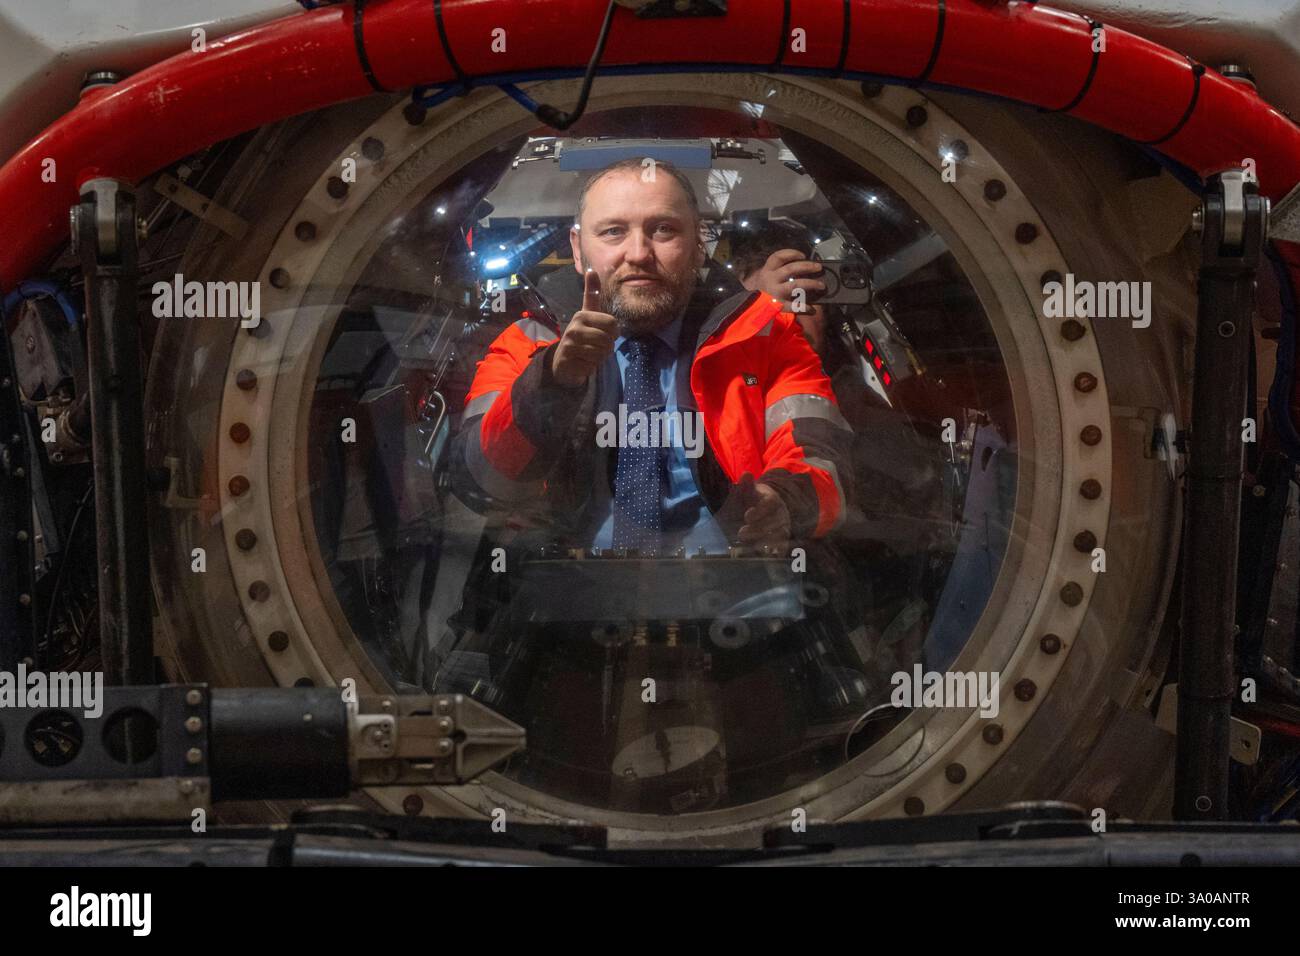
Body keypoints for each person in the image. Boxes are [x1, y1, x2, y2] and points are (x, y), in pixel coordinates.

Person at [450, 157, 853, 556]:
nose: (639, 253)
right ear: (578, 249)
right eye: (613, 232)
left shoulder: (768, 341)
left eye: (663, 229)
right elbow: (477, 482)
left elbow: (823, 462)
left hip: (736, 592)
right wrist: (552, 382)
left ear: (698, 246)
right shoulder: (528, 344)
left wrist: (782, 502)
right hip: (564, 590)